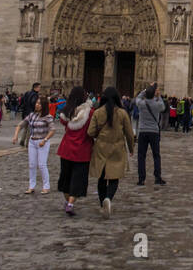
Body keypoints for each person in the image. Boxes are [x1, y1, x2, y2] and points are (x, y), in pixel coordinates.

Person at [88, 86, 135, 217]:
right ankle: (108, 198)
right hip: (117, 148)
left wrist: (99, 135)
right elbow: (129, 134)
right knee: (114, 177)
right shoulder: (122, 113)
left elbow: (90, 132)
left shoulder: (98, 112)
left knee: (102, 178)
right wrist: (131, 148)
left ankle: (102, 202)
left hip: (101, 148)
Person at [56, 88, 93, 214]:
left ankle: (68, 201)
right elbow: (92, 130)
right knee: (78, 178)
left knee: (66, 177)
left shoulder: (67, 112)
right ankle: (70, 203)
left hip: (66, 149)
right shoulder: (90, 113)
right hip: (82, 151)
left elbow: (63, 121)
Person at [14, 94, 54, 194]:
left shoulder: (48, 117)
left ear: (44, 105)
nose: (37, 105)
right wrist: (16, 135)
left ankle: (46, 186)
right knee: (32, 165)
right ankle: (31, 186)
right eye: (36, 103)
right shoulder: (32, 115)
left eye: (39, 103)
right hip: (32, 141)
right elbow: (22, 124)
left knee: (42, 164)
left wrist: (45, 140)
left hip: (42, 142)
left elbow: (52, 130)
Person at [134, 83, 166, 186]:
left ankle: (141, 178)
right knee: (156, 155)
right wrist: (158, 94)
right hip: (154, 132)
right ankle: (157, 177)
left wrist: (146, 89)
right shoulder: (158, 105)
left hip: (143, 132)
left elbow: (137, 98)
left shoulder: (141, 104)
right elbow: (163, 106)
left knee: (141, 156)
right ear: (154, 94)